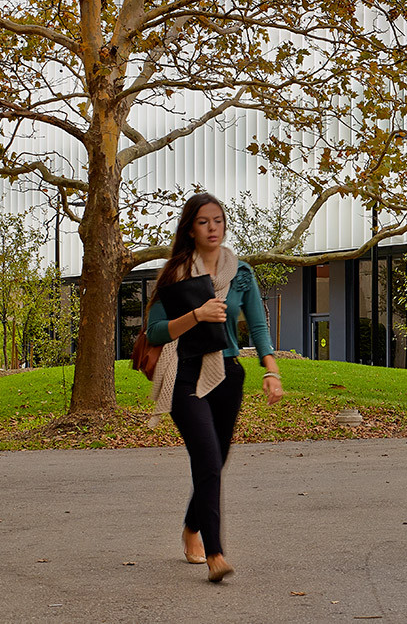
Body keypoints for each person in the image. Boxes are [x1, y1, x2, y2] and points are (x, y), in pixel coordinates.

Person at [145, 192, 284, 584]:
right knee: (207, 460)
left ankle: (191, 526)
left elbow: (257, 326)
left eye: (218, 220)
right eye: (204, 221)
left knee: (215, 462)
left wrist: (271, 370)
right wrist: (196, 314)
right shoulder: (174, 273)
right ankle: (215, 552)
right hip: (184, 375)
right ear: (191, 228)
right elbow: (155, 331)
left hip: (228, 375)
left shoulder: (241, 273)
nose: (213, 228)